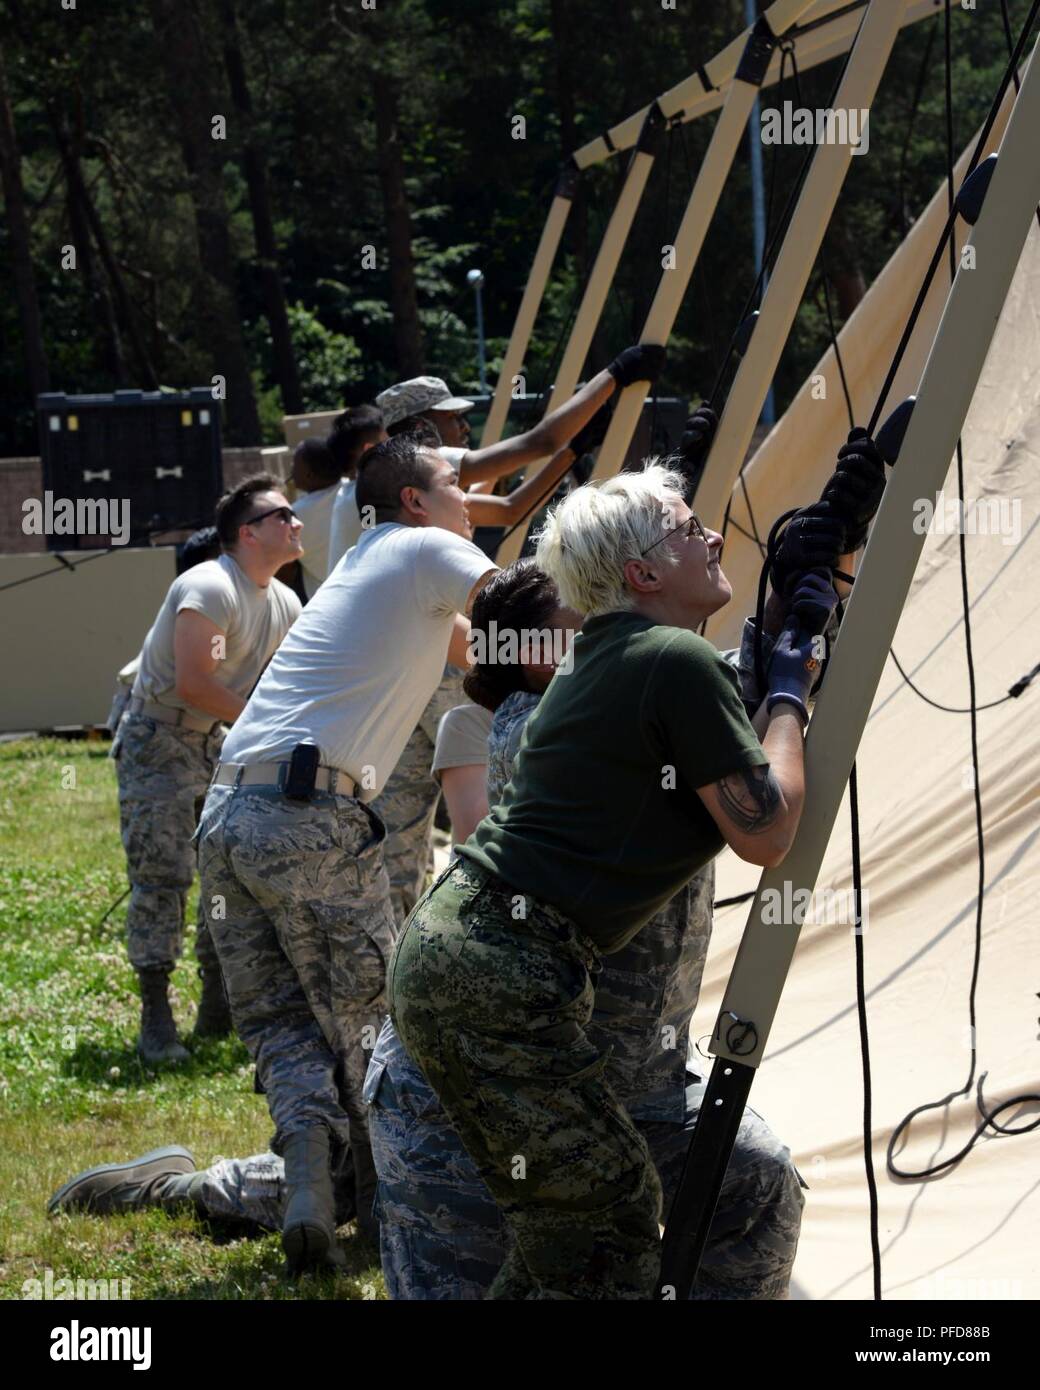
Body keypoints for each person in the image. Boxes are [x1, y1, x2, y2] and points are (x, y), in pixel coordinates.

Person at [386, 459, 841, 1299]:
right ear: (642, 572)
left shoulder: (611, 653)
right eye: (687, 527)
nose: (709, 536)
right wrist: (790, 692)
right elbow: (766, 830)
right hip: (502, 971)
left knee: (574, 1215)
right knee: (610, 1214)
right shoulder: (669, 659)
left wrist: (785, 609)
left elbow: (690, 725)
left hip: (464, 955)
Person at [194, 434, 498, 1270]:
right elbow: (523, 619)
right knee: (376, 1029)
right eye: (454, 485)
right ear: (412, 500)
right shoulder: (427, 546)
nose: (468, 500)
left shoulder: (373, 576)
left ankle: (310, 1189)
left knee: (286, 1024)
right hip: (307, 818)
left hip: (227, 817)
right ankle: (395, 1216)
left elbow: (490, 653)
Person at [114, 479, 302, 1064]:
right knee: (164, 877)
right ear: (248, 532)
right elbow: (196, 683)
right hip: (160, 739)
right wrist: (260, 729)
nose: (297, 522)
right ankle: (155, 1019)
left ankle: (217, 1005)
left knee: (224, 877)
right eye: (283, 514)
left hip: (217, 743)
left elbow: (280, 685)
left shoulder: (284, 603)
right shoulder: (208, 586)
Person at [325, 404, 389, 579]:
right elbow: (372, 531)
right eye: (390, 442)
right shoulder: (368, 498)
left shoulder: (351, 491)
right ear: (370, 451)